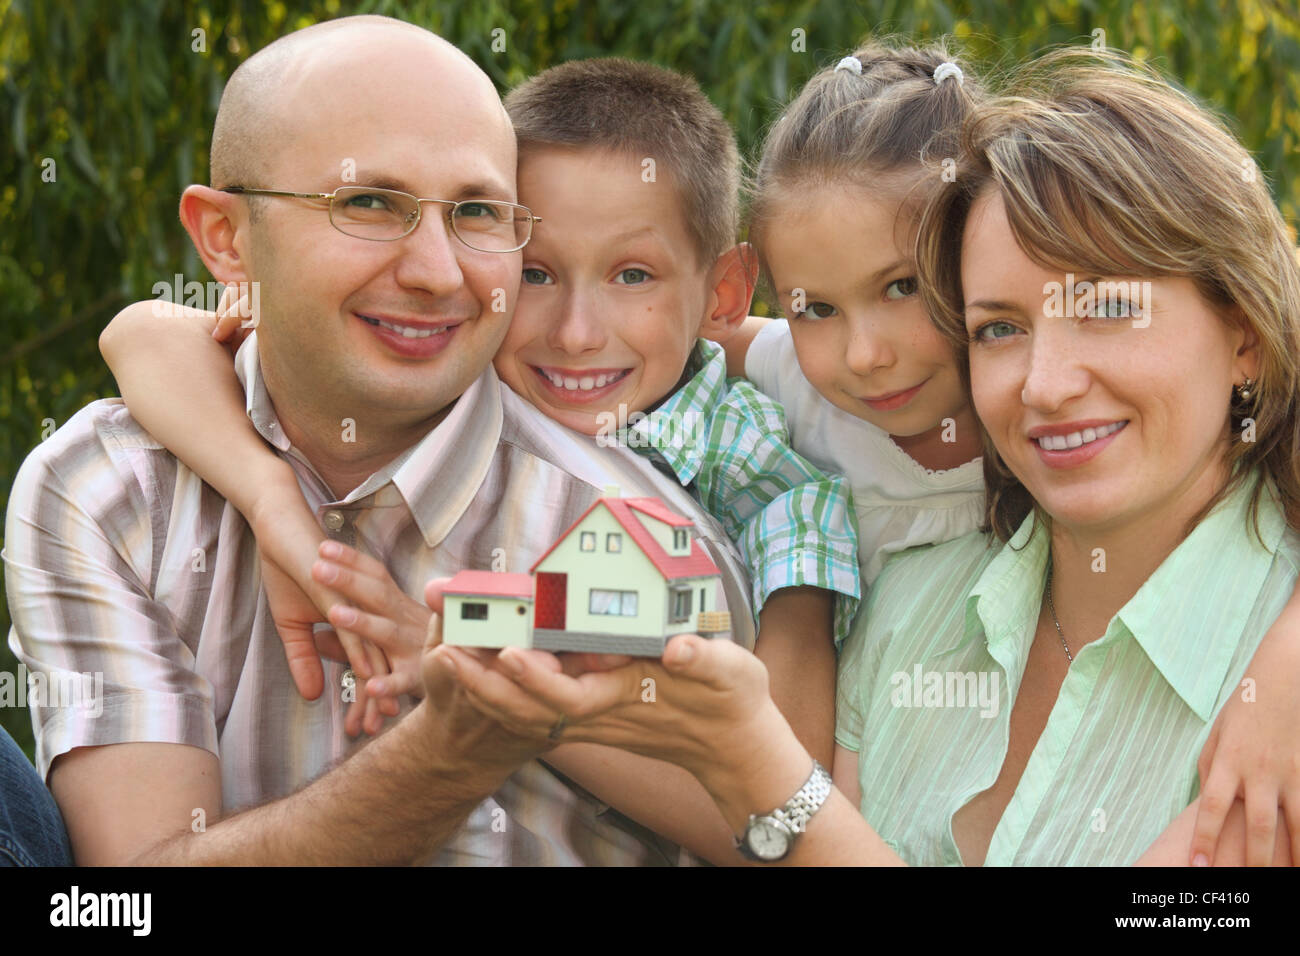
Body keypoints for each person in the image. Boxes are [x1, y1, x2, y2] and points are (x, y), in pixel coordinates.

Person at [437, 48, 1300, 866]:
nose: (1045, 383)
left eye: (1108, 307)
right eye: (999, 327)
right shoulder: (914, 605)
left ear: (1247, 336)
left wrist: (767, 770)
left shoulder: (1275, 690)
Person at [3, 15, 755, 866]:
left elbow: (764, 825)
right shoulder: (107, 491)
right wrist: (451, 752)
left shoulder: (629, 534)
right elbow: (128, 898)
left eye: (476, 212)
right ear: (225, 238)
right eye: (368, 202)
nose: (436, 272)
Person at [97, 58, 861, 767]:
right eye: (533, 273)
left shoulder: (763, 484)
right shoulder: (423, 360)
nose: (576, 333)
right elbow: (143, 335)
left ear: (723, 293)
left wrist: (454, 645)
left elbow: (786, 770)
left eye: (632, 275)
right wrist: (268, 498)